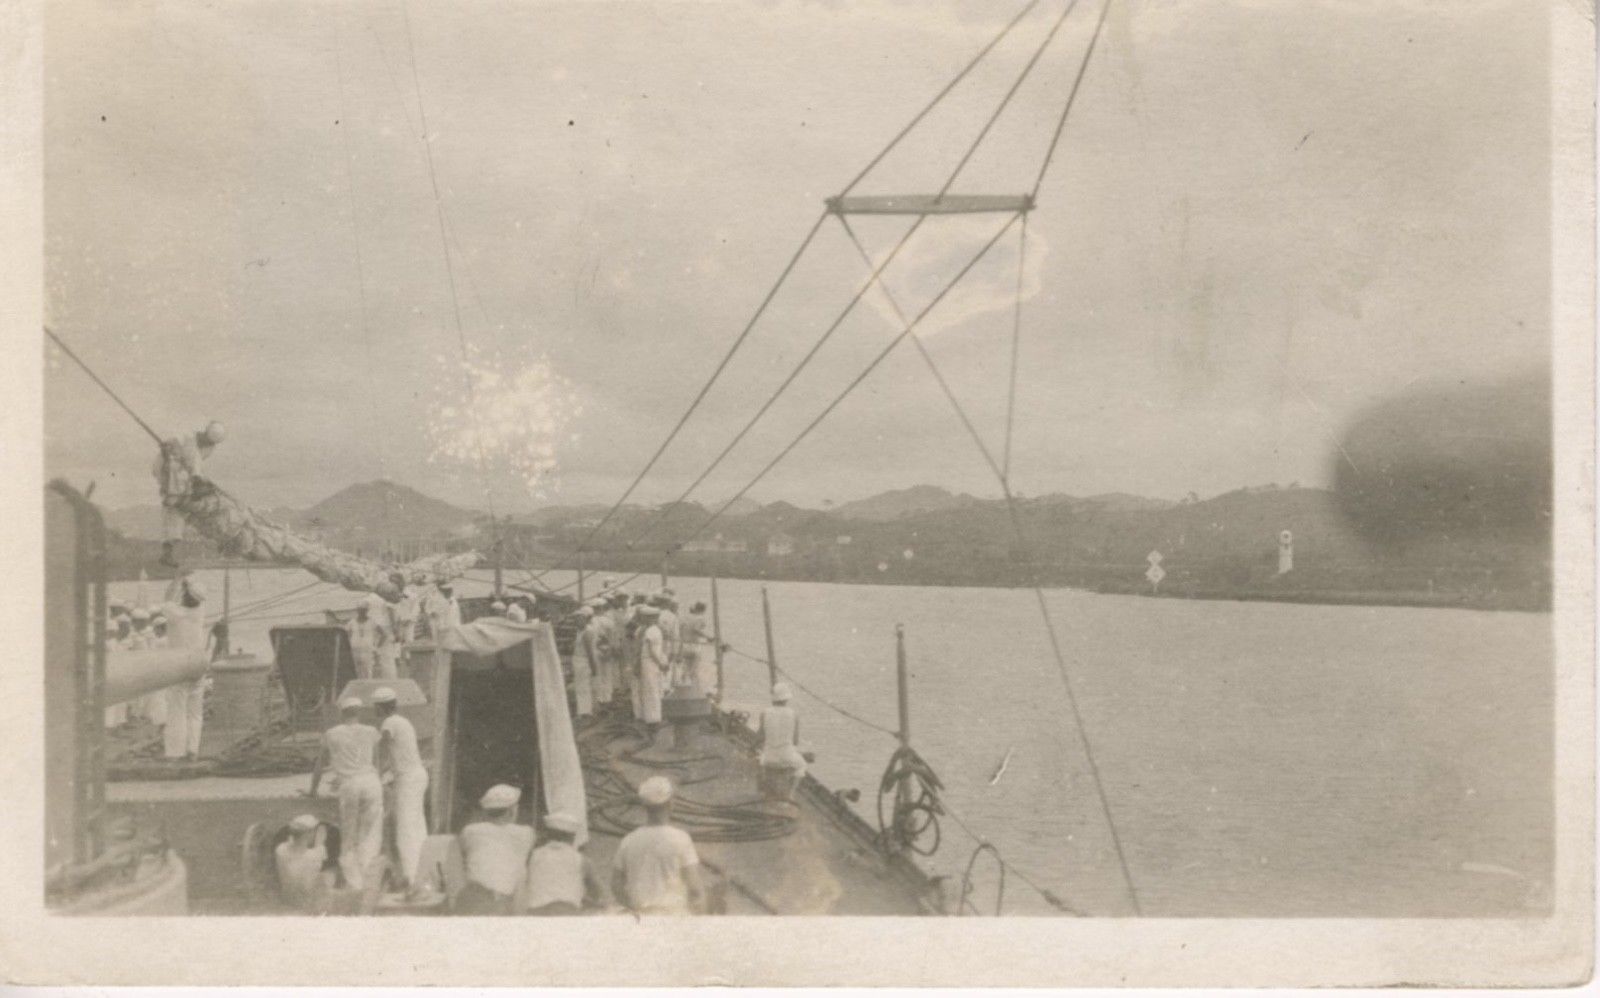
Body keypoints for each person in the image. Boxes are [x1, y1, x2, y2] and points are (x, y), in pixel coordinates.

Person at [309, 696, 384, 890]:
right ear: (358, 712)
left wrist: (313, 790)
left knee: (348, 834)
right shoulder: (371, 732)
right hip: (370, 782)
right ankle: (368, 878)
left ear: (341, 713)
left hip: (350, 784)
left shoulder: (331, 734)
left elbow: (319, 765)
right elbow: (376, 763)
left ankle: (354, 883)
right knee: (370, 833)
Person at [611, 777, 704, 915]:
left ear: (644, 806)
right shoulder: (681, 839)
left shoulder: (628, 841)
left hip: (640, 917)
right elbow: (695, 888)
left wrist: (631, 906)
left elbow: (616, 885)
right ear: (671, 804)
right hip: (673, 917)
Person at [373, 686, 428, 895]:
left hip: (408, 780)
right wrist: (385, 773)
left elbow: (382, 749)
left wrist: (374, 773)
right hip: (415, 775)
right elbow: (399, 755)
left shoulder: (389, 723)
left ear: (380, 707)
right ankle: (422, 872)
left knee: (404, 831)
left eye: (375, 707)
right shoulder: (403, 721)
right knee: (417, 826)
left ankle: (411, 879)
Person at [152, 419, 225, 568]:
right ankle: (167, 554)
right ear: (204, 432)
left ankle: (168, 553)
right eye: (206, 439)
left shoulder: (207, 449)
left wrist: (201, 481)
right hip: (167, 469)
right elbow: (171, 445)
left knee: (178, 512)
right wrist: (166, 449)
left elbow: (196, 467)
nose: (207, 443)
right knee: (175, 507)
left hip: (181, 476)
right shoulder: (186, 437)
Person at [455, 784, 534, 915]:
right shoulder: (526, 834)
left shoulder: (469, 831)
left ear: (486, 811)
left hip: (470, 899)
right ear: (512, 811)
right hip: (499, 904)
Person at [160, 576, 210, 760]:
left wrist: (177, 581)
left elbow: (167, 599)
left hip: (180, 664)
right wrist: (188, 586)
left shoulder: (175, 613)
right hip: (198, 663)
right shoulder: (200, 612)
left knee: (176, 711)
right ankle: (192, 751)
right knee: (195, 713)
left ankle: (174, 753)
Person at [525, 812, 602, 915]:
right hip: (567, 912)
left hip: (537, 912)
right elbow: (597, 890)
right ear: (572, 837)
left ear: (547, 834)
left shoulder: (533, 856)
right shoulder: (581, 859)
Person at [274, 814, 336, 912]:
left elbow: (292, 844)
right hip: (306, 901)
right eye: (313, 831)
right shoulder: (315, 854)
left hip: (288, 898)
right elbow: (320, 846)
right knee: (330, 873)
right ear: (308, 834)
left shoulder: (280, 849)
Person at [757, 683, 807, 801]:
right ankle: (791, 794)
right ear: (787, 699)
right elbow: (795, 741)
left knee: (761, 758)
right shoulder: (794, 714)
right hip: (787, 757)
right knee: (802, 766)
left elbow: (760, 736)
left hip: (768, 759)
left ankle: (765, 790)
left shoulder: (764, 713)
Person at [636, 604, 668, 727]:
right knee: (652, 689)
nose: (643, 619)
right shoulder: (652, 630)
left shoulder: (651, 630)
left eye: (645, 617)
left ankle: (652, 718)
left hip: (650, 662)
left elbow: (652, 650)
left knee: (652, 689)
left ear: (651, 618)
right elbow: (652, 650)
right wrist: (661, 663)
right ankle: (653, 719)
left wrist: (660, 663)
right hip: (650, 661)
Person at [568, 606, 596, 721]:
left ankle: (584, 711)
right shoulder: (580, 631)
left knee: (583, 686)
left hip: (583, 661)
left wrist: (593, 666)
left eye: (579, 619)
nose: (576, 621)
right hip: (578, 660)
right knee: (580, 686)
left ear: (585, 619)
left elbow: (589, 651)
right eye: (576, 619)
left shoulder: (587, 632)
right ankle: (584, 710)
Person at [345, 600, 384, 680]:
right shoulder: (352, 622)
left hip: (367, 650)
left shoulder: (372, 622)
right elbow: (345, 634)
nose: (362, 612)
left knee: (367, 671)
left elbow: (383, 634)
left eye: (364, 610)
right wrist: (348, 646)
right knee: (355, 671)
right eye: (360, 610)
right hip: (354, 650)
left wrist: (377, 647)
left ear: (367, 611)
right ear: (357, 610)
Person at [588, 600, 616, 708]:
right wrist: (611, 648)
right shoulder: (608, 621)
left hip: (596, 648)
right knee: (607, 674)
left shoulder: (591, 621)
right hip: (606, 648)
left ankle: (599, 698)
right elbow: (612, 636)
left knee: (598, 674)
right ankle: (607, 698)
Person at [679, 601, 711, 692]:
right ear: (703, 610)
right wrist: (708, 637)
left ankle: (683, 688)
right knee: (694, 669)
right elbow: (696, 629)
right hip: (694, 646)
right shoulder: (700, 618)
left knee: (685, 668)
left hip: (684, 645)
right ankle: (695, 690)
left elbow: (680, 630)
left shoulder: (685, 618)